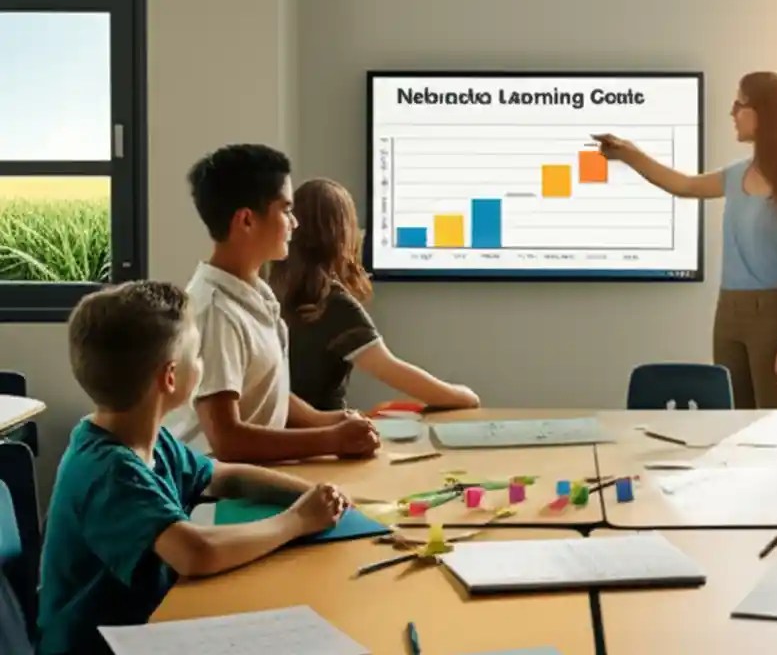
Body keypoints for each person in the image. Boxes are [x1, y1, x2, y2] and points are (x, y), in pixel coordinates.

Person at [37, 282, 352, 655]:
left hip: (145, 628)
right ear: (170, 378)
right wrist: (296, 521)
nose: (202, 363)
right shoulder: (108, 470)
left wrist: (306, 494)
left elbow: (223, 475)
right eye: (198, 355)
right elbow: (195, 551)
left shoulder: (147, 437)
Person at [595, 71, 777, 408]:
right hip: (729, 311)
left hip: (776, 314)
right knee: (731, 422)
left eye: (739, 104)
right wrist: (629, 154)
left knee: (775, 423)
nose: (732, 112)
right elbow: (684, 186)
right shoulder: (736, 175)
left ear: (764, 113)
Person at [165, 144, 380, 462]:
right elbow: (227, 440)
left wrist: (329, 421)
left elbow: (264, 389)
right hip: (217, 496)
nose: (294, 223)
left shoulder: (255, 292)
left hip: (256, 477)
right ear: (247, 220)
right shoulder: (215, 310)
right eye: (286, 210)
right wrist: (330, 440)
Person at [268, 178, 480, 412]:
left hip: (282, 434)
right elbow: (391, 370)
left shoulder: (271, 291)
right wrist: (462, 395)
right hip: (323, 437)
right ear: (341, 234)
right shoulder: (332, 304)